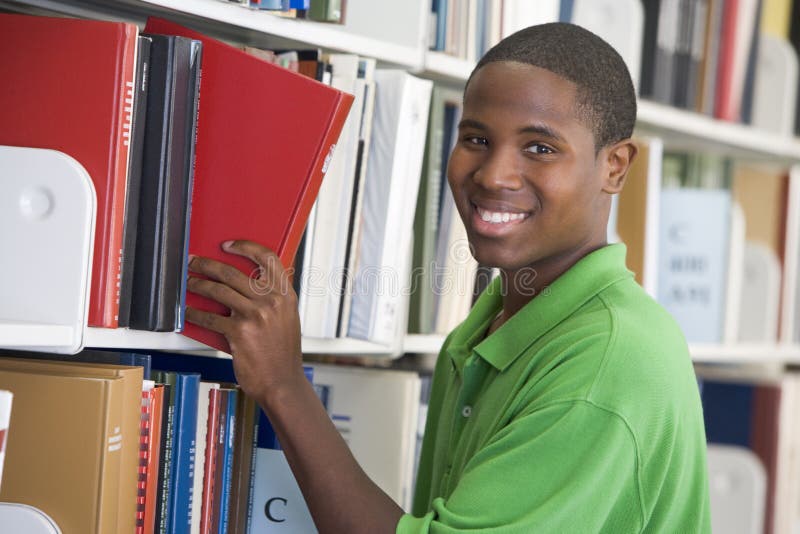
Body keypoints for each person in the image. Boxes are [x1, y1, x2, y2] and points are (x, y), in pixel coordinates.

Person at [185, 22, 712, 533]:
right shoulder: (486, 328)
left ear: (615, 166)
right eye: (477, 138)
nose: (492, 174)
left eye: (540, 148)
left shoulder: (605, 362)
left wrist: (283, 385)